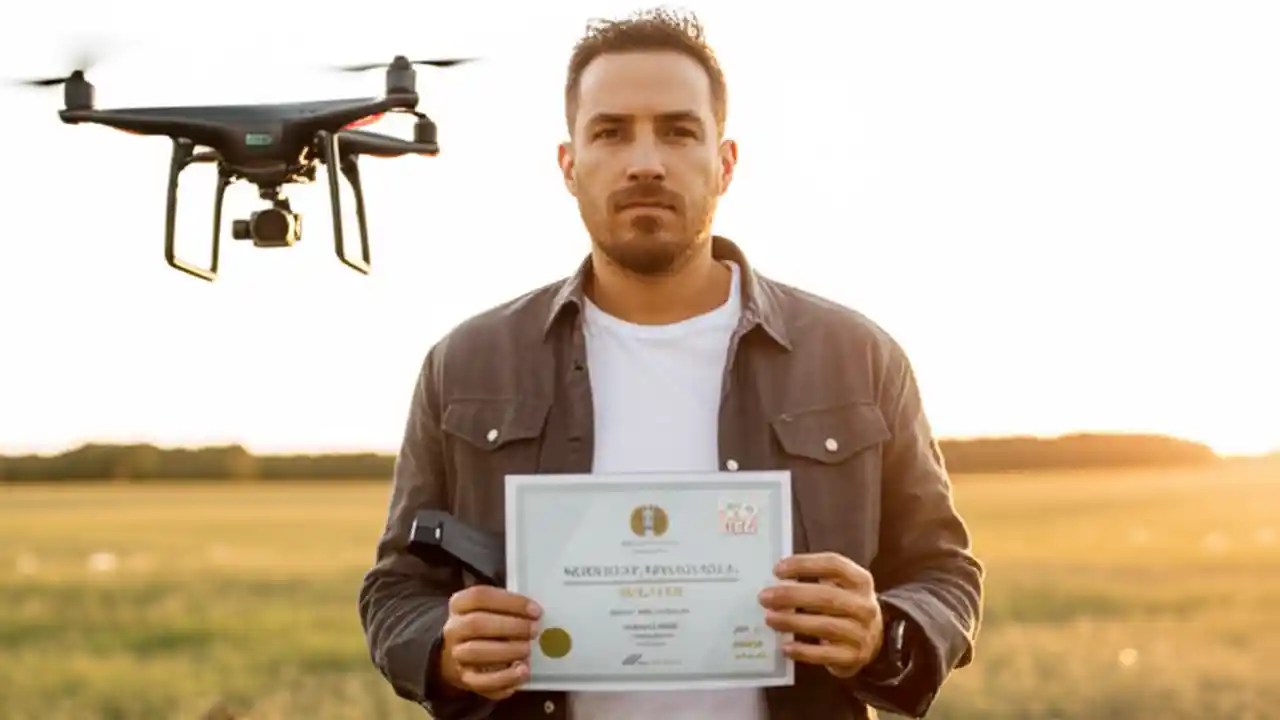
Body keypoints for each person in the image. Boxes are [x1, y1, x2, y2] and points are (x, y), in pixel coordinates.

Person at [358, 8, 983, 719]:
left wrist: (882, 634)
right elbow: (396, 587)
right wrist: (441, 646)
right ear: (570, 164)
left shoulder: (857, 358)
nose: (645, 160)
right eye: (611, 131)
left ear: (725, 162)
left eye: (679, 131)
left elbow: (942, 570)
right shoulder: (468, 365)